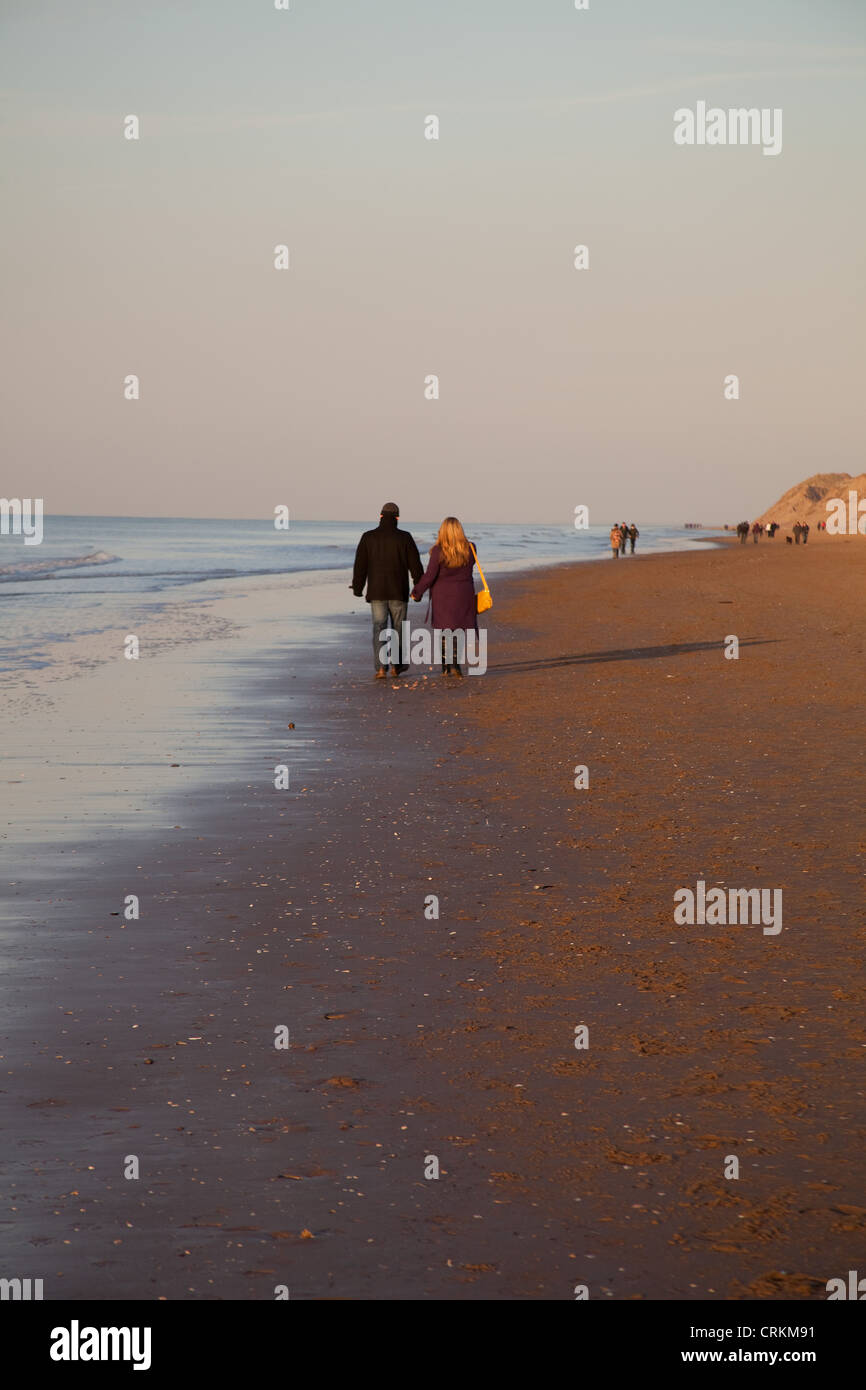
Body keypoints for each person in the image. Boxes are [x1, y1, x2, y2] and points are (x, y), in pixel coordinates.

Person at [351, 502, 423, 679]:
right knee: (399, 629)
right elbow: (415, 566)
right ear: (397, 518)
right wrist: (418, 587)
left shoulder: (368, 537)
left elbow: (360, 566)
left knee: (379, 628)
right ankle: (396, 667)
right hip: (398, 591)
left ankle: (381, 668)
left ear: (381, 516)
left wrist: (358, 588)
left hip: (377, 592)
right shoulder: (405, 537)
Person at [411, 517, 478, 678]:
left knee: (445, 631)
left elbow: (429, 576)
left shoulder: (438, 551)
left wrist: (417, 591)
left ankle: (446, 667)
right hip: (464, 594)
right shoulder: (471, 548)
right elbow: (470, 566)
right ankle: (456, 666)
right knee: (459, 630)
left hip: (443, 596)